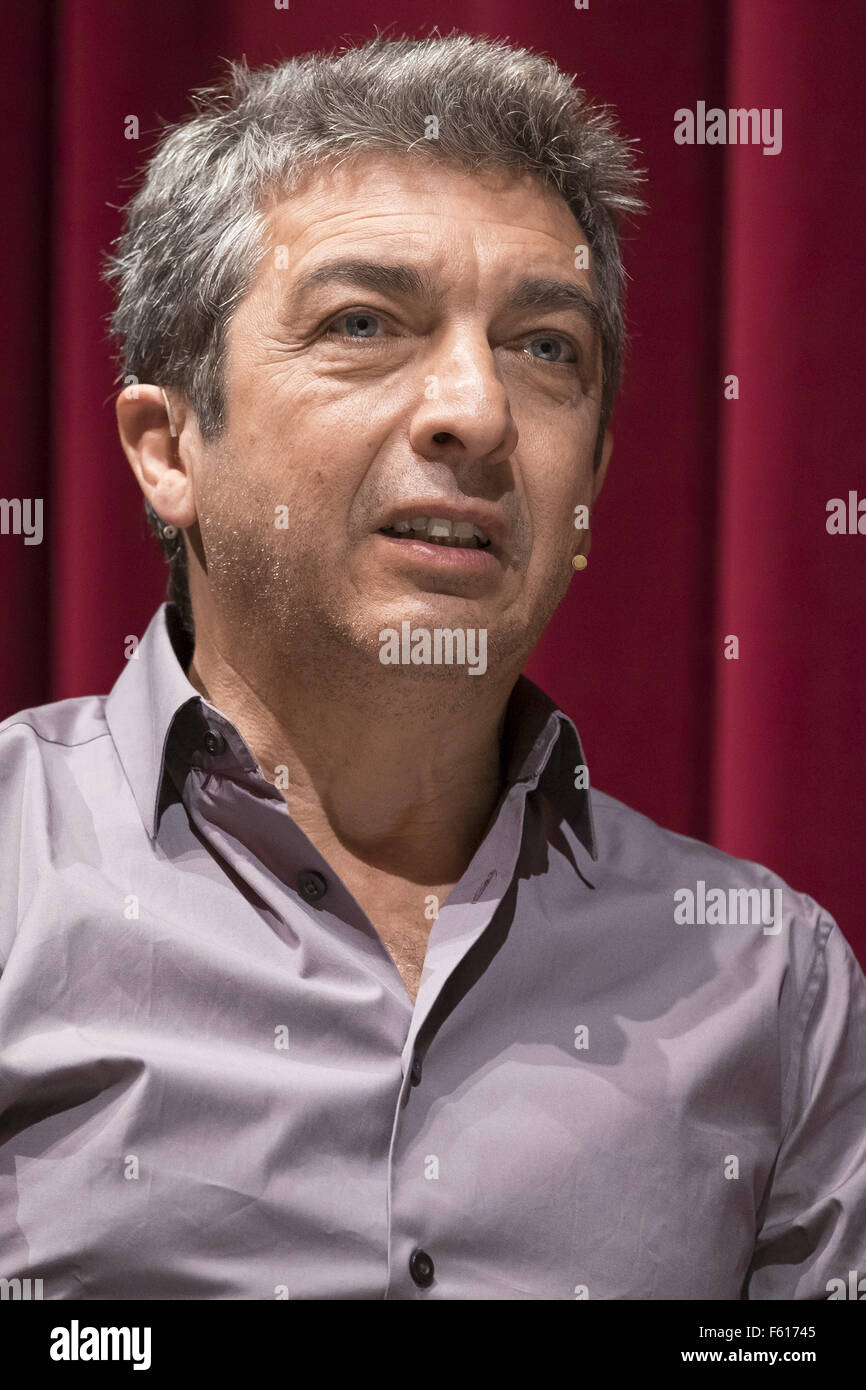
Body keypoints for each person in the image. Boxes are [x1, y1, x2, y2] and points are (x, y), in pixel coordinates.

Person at [1, 31, 863, 1302]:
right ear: (167, 446)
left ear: (594, 481)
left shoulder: (765, 981)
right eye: (363, 322)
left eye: (545, 346)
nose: (475, 408)